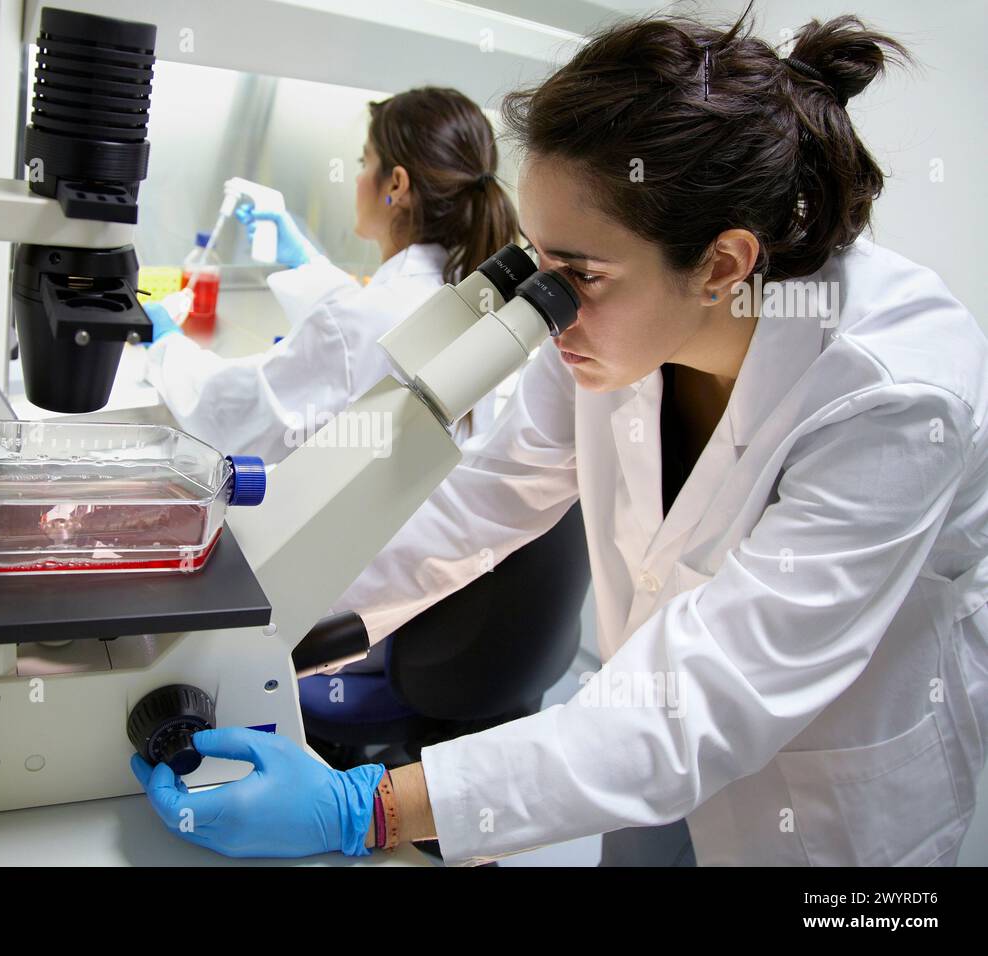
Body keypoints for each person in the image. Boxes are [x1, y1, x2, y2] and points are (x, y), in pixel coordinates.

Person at [132, 9, 988, 866]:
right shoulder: (609, 327)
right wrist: (275, 615)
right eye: (536, 261)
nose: (548, 303)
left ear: (723, 264)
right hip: (632, 746)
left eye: (579, 272)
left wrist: (373, 807)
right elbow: (479, 504)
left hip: (822, 801)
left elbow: (715, 697)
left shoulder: (893, 393)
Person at [142, 87, 519, 463]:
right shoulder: (468, 302)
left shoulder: (368, 320)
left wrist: (166, 346)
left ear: (395, 185)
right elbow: (356, 326)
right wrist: (305, 262)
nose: (358, 179)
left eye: (363, 162)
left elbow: (231, 418)